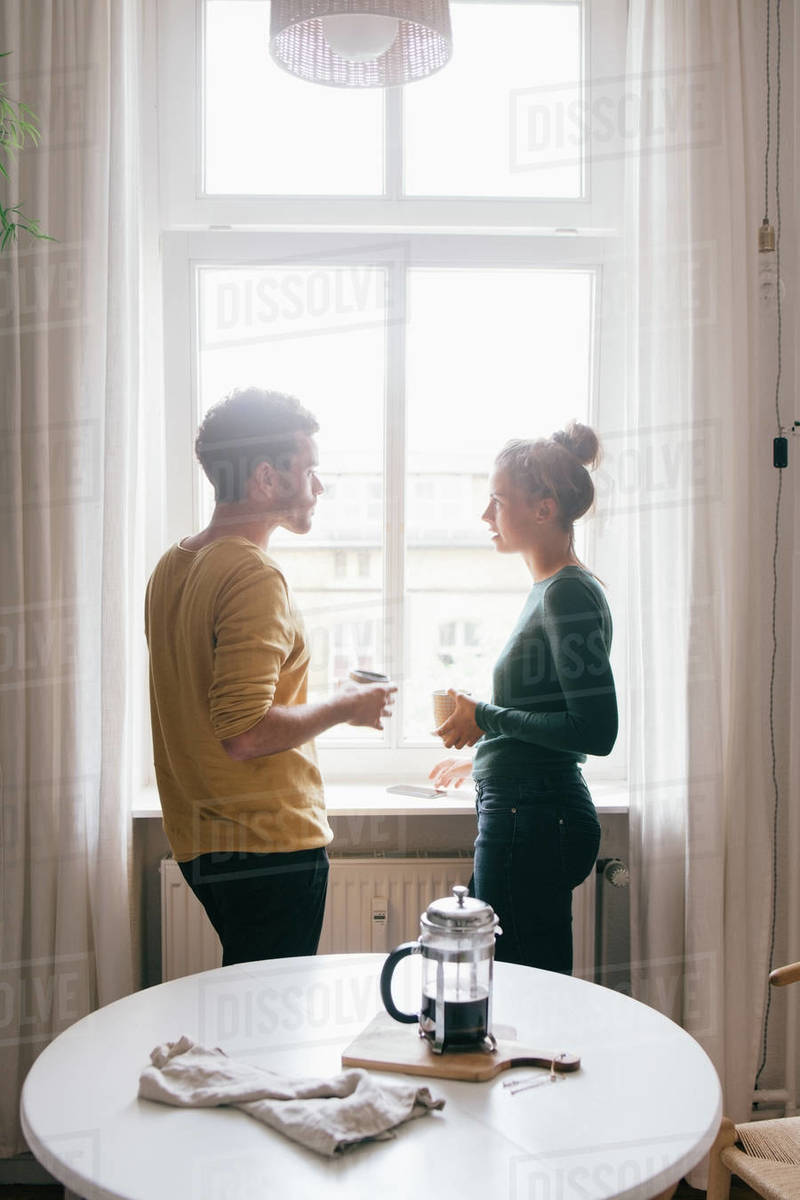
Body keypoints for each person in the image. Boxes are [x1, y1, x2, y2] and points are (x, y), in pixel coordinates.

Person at [145, 386, 395, 966]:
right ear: (265, 477)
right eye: (308, 470)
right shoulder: (254, 573)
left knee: (248, 1009)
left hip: (199, 841)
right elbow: (245, 732)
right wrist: (346, 705)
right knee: (269, 1030)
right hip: (268, 845)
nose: (318, 485)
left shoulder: (172, 564)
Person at [429, 422, 617, 975]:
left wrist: (484, 717)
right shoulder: (553, 590)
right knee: (511, 976)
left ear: (543, 508)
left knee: (521, 981)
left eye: (497, 501)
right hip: (524, 805)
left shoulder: (569, 594)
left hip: (535, 813)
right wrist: (484, 752)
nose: (486, 516)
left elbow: (594, 731)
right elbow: (551, 713)